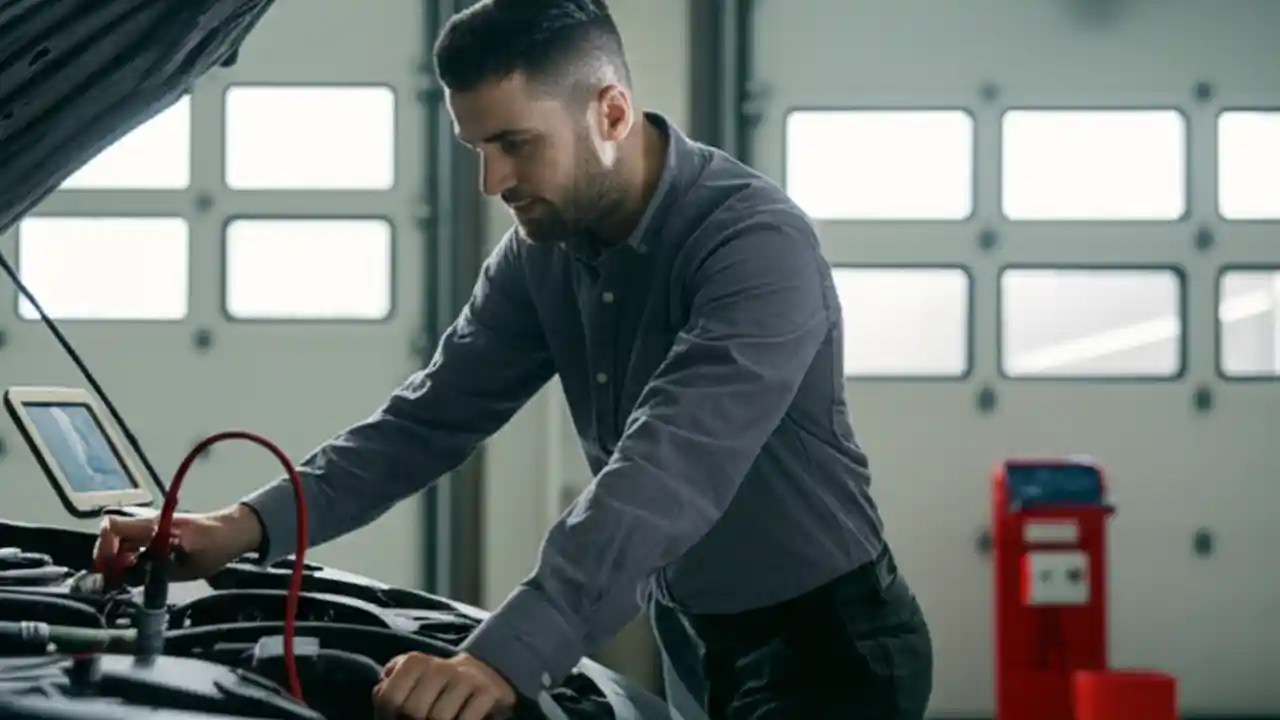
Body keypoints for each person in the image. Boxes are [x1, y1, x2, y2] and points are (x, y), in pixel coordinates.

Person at [93, 1, 933, 718]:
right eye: (475, 149)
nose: (492, 181)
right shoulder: (543, 251)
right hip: (693, 632)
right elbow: (426, 420)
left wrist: (505, 656)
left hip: (830, 643)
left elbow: (669, 466)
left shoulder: (753, 243)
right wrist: (241, 528)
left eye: (516, 144)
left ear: (610, 111)